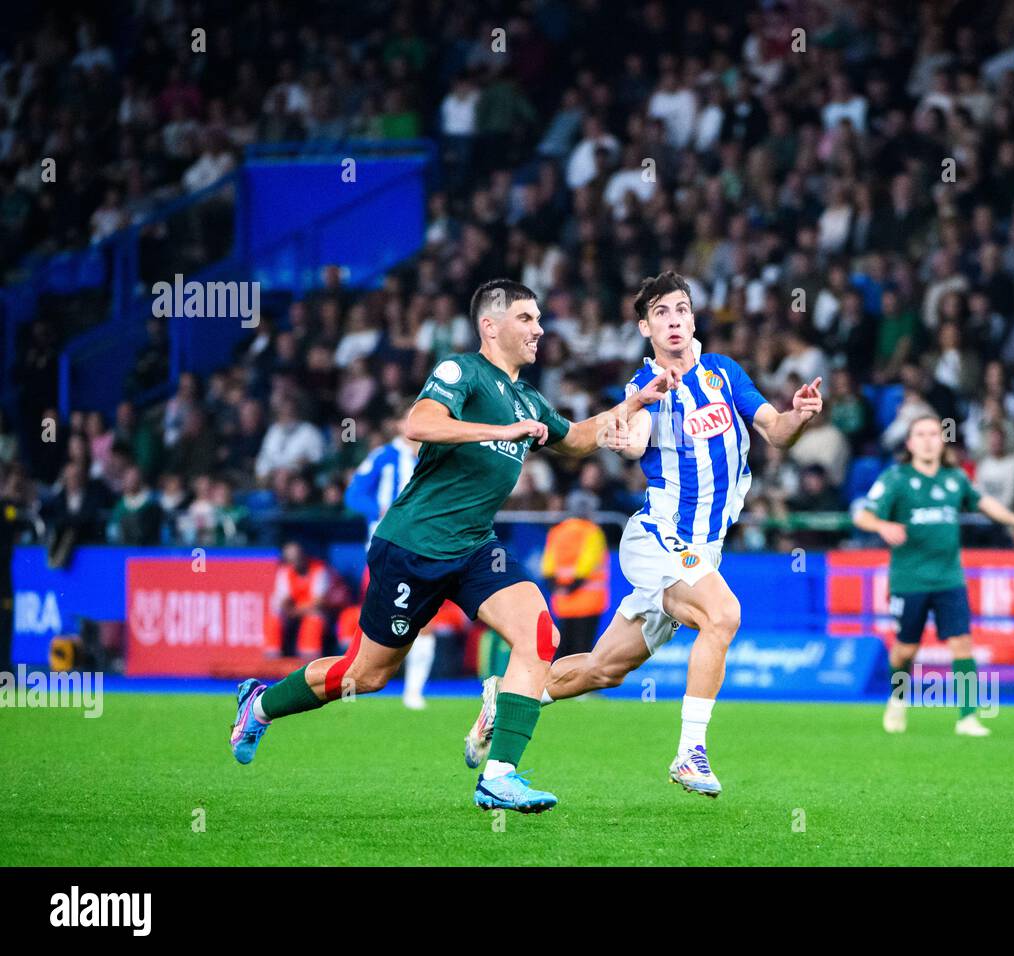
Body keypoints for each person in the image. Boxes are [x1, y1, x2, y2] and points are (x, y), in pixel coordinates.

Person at [229, 278, 673, 814]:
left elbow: (576, 440)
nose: (539, 329)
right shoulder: (461, 372)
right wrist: (497, 430)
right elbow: (420, 421)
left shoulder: (527, 398)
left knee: (539, 632)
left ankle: (500, 775)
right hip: (412, 546)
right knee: (363, 675)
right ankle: (260, 704)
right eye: (526, 319)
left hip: (473, 549)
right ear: (491, 326)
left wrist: (631, 404)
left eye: (538, 319)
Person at [469, 271, 823, 798]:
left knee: (601, 670)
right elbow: (634, 441)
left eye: (681, 309)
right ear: (645, 327)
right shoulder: (645, 386)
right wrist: (622, 433)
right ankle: (690, 754)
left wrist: (801, 415)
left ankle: (507, 697)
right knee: (723, 614)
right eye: (661, 312)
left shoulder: (724, 375)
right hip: (657, 537)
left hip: (702, 552)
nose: (674, 319)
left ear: (693, 319)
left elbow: (776, 431)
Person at [851, 414, 1014, 737]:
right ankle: (897, 698)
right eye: (919, 434)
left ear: (942, 439)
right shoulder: (896, 479)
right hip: (909, 580)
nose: (927, 439)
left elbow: (985, 503)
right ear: (909, 443)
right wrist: (882, 525)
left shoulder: (955, 478)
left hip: (950, 578)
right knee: (906, 650)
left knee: (962, 643)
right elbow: (863, 514)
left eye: (933, 433)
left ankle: (967, 717)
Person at [344, 416, 431, 710]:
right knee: (372, 619)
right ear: (397, 424)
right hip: (386, 551)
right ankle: (349, 679)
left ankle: (414, 693)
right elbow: (354, 495)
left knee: (425, 621)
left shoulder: (434, 456)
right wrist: (380, 510)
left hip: (425, 550)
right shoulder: (384, 456)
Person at [540, 499, 610, 661]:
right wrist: (574, 584)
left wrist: (557, 586)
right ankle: (580, 686)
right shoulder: (592, 531)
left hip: (563, 601)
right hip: (588, 602)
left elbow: (547, 564)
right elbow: (588, 561)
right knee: (582, 650)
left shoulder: (557, 531)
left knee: (562, 648)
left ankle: (555, 683)